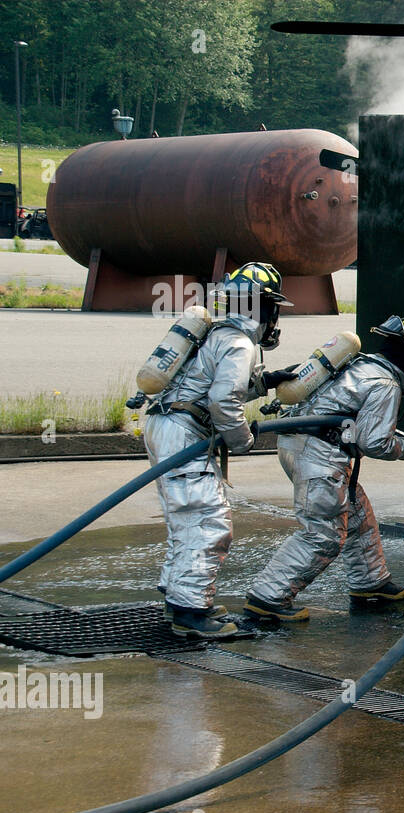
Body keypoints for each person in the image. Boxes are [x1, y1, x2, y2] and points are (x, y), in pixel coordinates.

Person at [244, 316, 404, 621]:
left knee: (356, 515)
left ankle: (371, 582)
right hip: (318, 454)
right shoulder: (386, 384)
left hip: (303, 444)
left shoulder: (359, 365)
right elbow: (375, 442)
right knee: (323, 534)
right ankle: (268, 596)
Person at [144, 261, 289, 638]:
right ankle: (192, 613)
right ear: (267, 309)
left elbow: (206, 383)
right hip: (183, 433)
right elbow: (224, 401)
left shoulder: (214, 333)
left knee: (186, 519)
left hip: (165, 424)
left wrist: (268, 381)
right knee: (209, 524)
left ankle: (179, 597)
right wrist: (244, 441)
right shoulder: (240, 343)